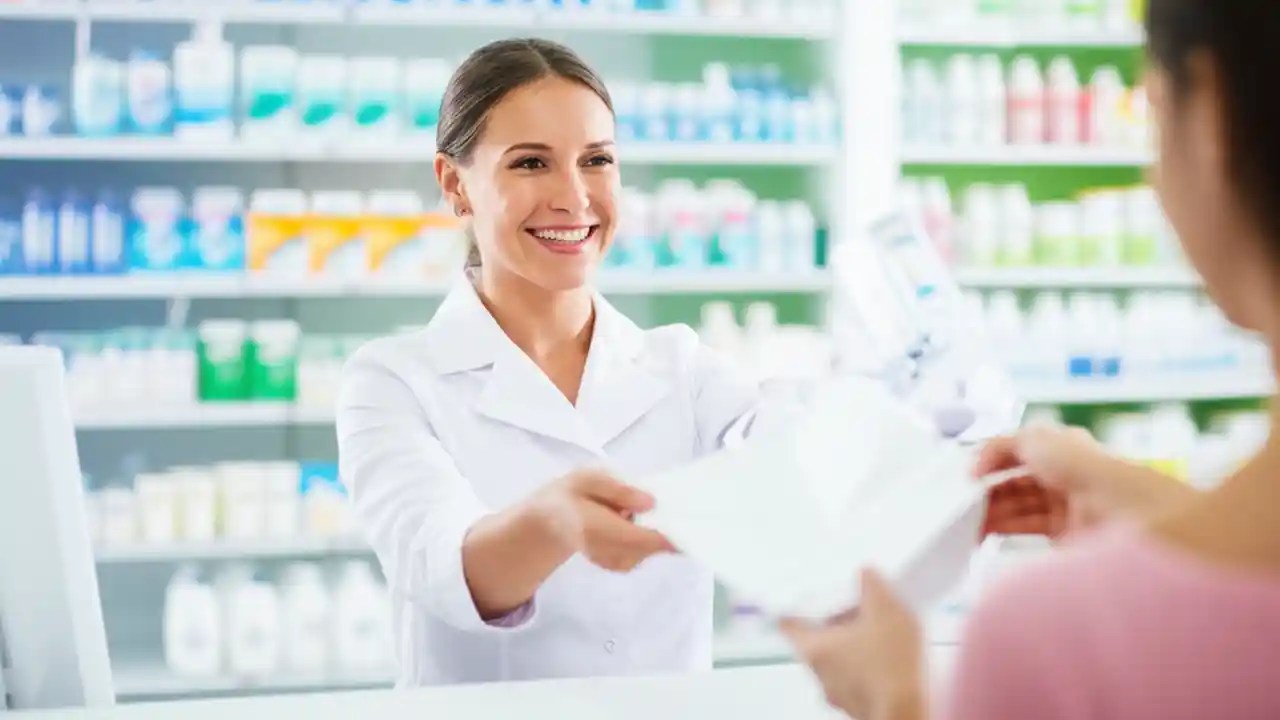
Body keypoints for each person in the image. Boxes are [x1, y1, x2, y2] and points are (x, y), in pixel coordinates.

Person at [783, 2, 1280, 718]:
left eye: (1155, 112)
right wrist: (1165, 510)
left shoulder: (1054, 636)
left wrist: (898, 701)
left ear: (1211, 120)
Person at [336, 38, 794, 687]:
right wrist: (554, 521)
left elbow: (792, 462)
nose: (574, 196)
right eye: (530, 164)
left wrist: (946, 467)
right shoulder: (391, 382)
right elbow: (443, 570)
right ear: (455, 185)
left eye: (596, 160)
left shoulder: (684, 370)